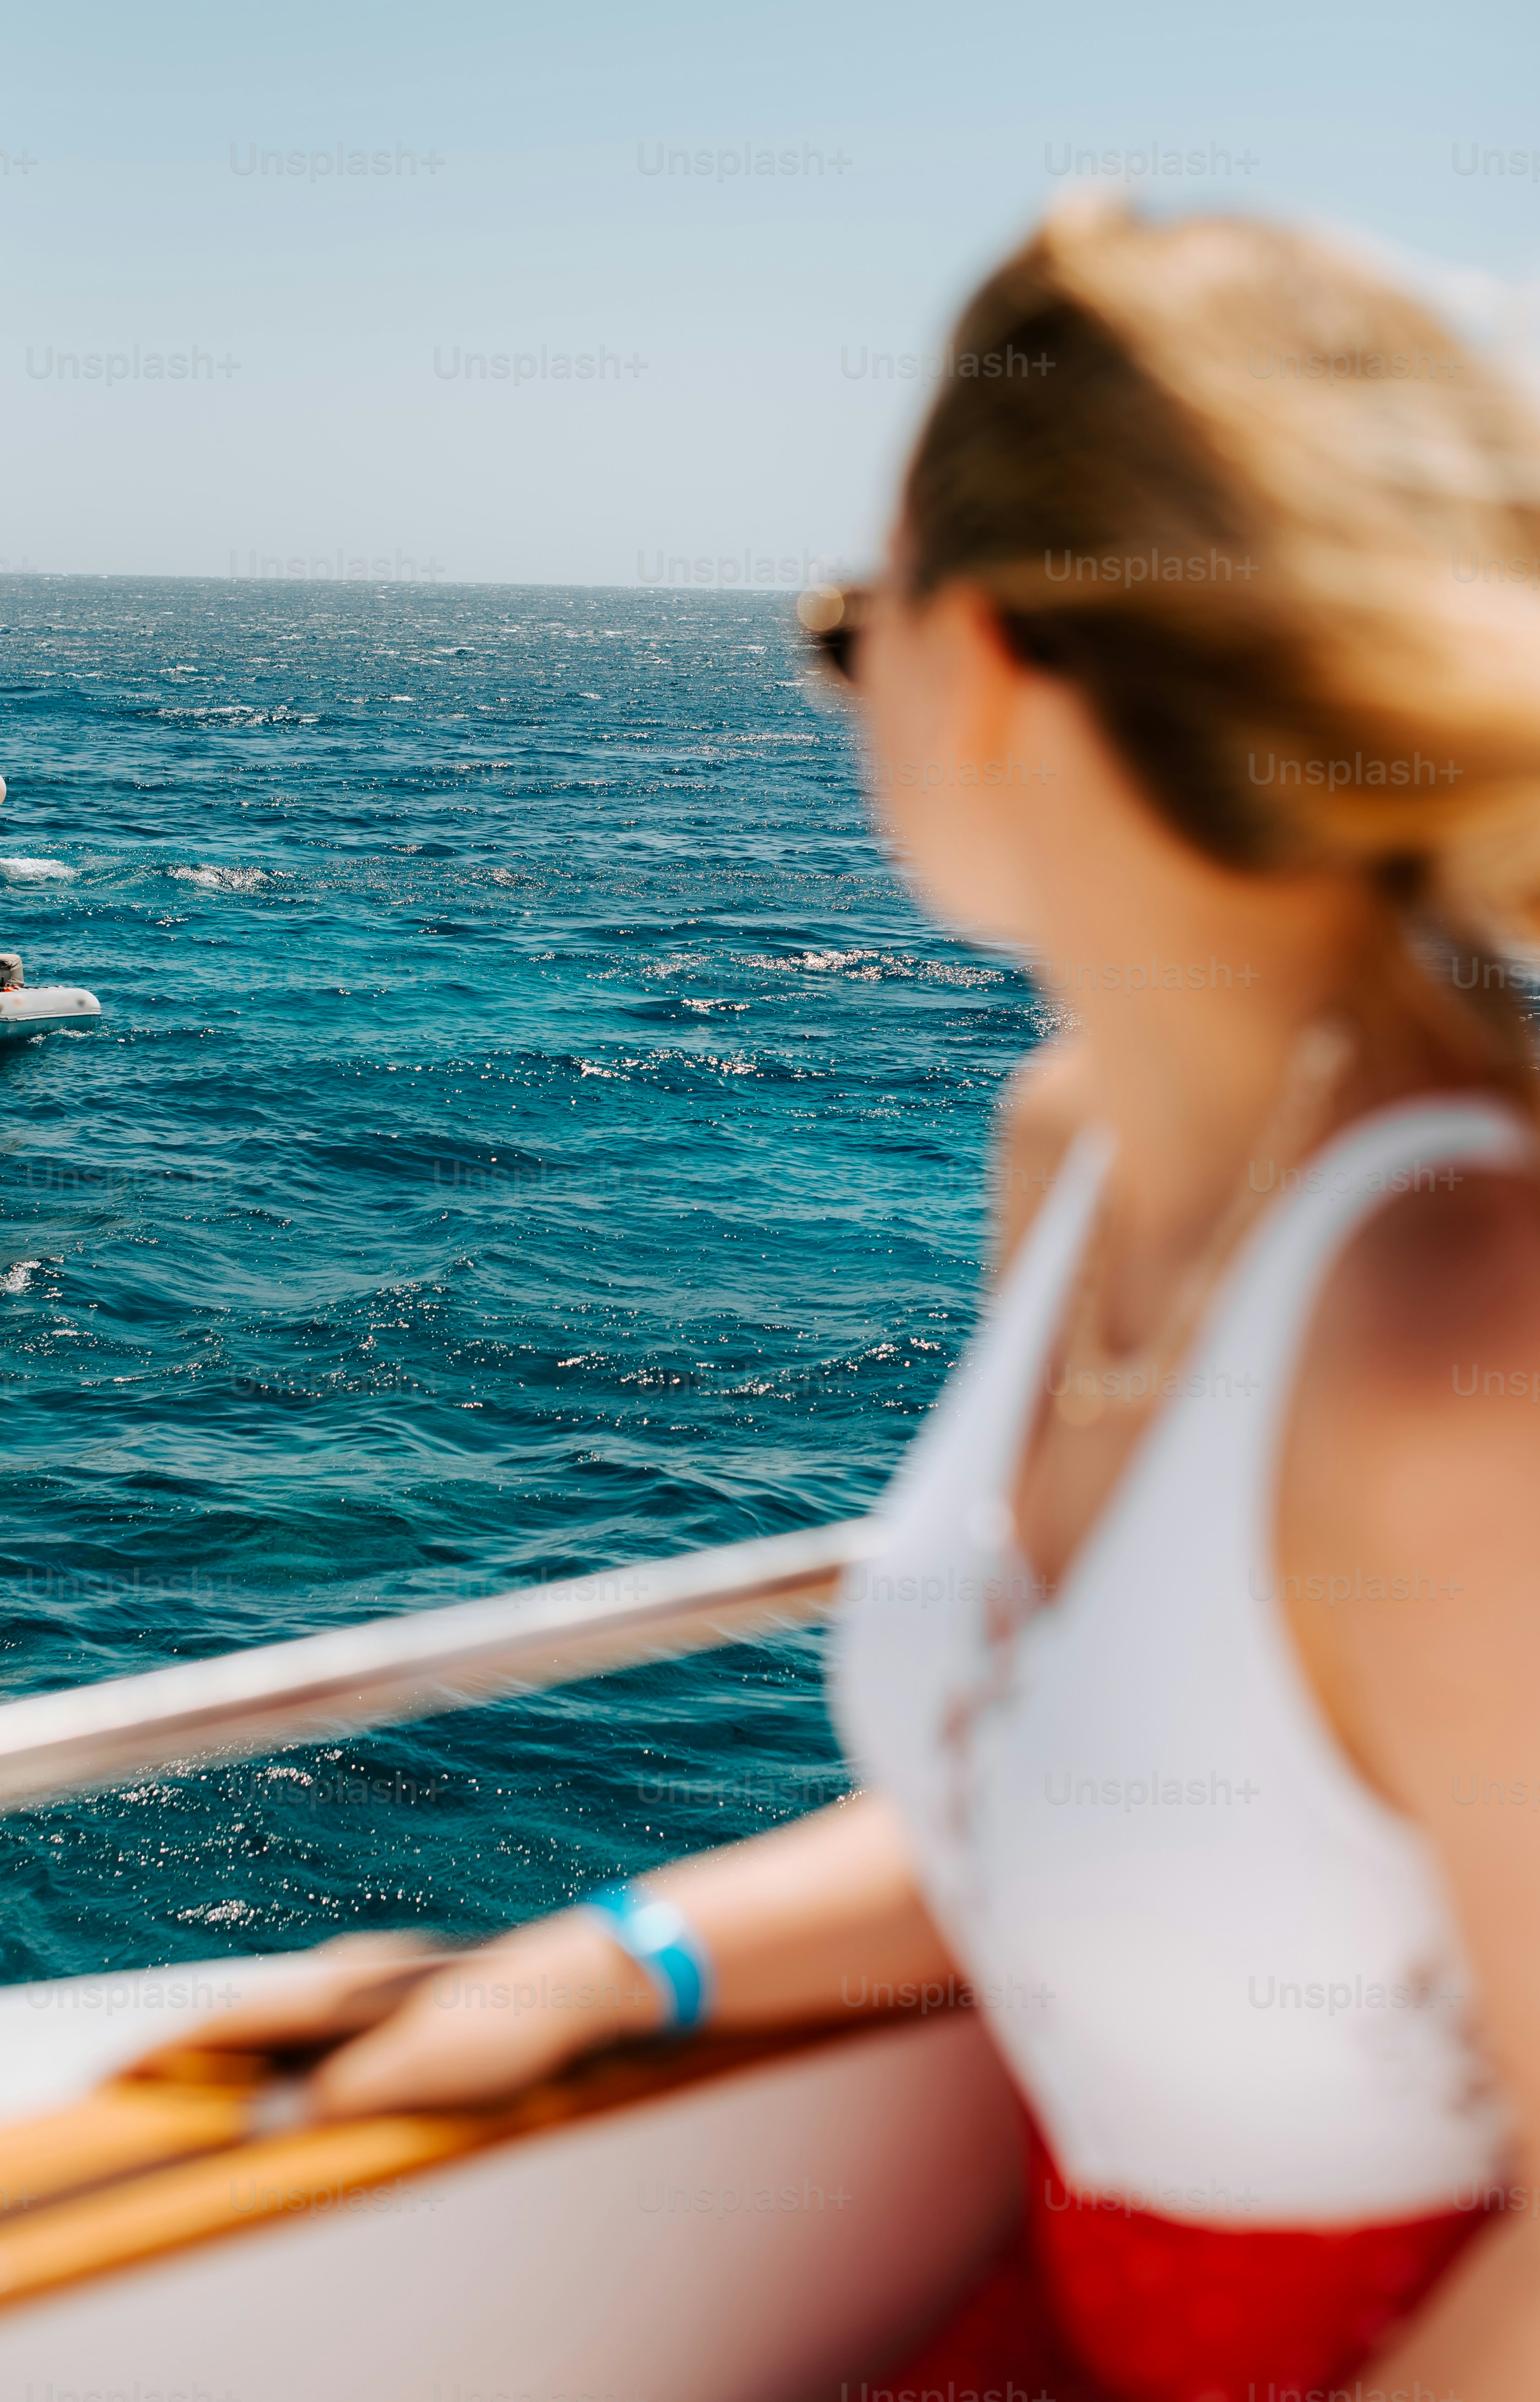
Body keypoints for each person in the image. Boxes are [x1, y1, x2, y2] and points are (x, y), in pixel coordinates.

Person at [179, 200, 1540, 2399]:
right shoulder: (1079, 1147)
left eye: (849, 622)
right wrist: (612, 1959)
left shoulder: (1452, 1339)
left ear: (979, 656)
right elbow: (1103, 1805)